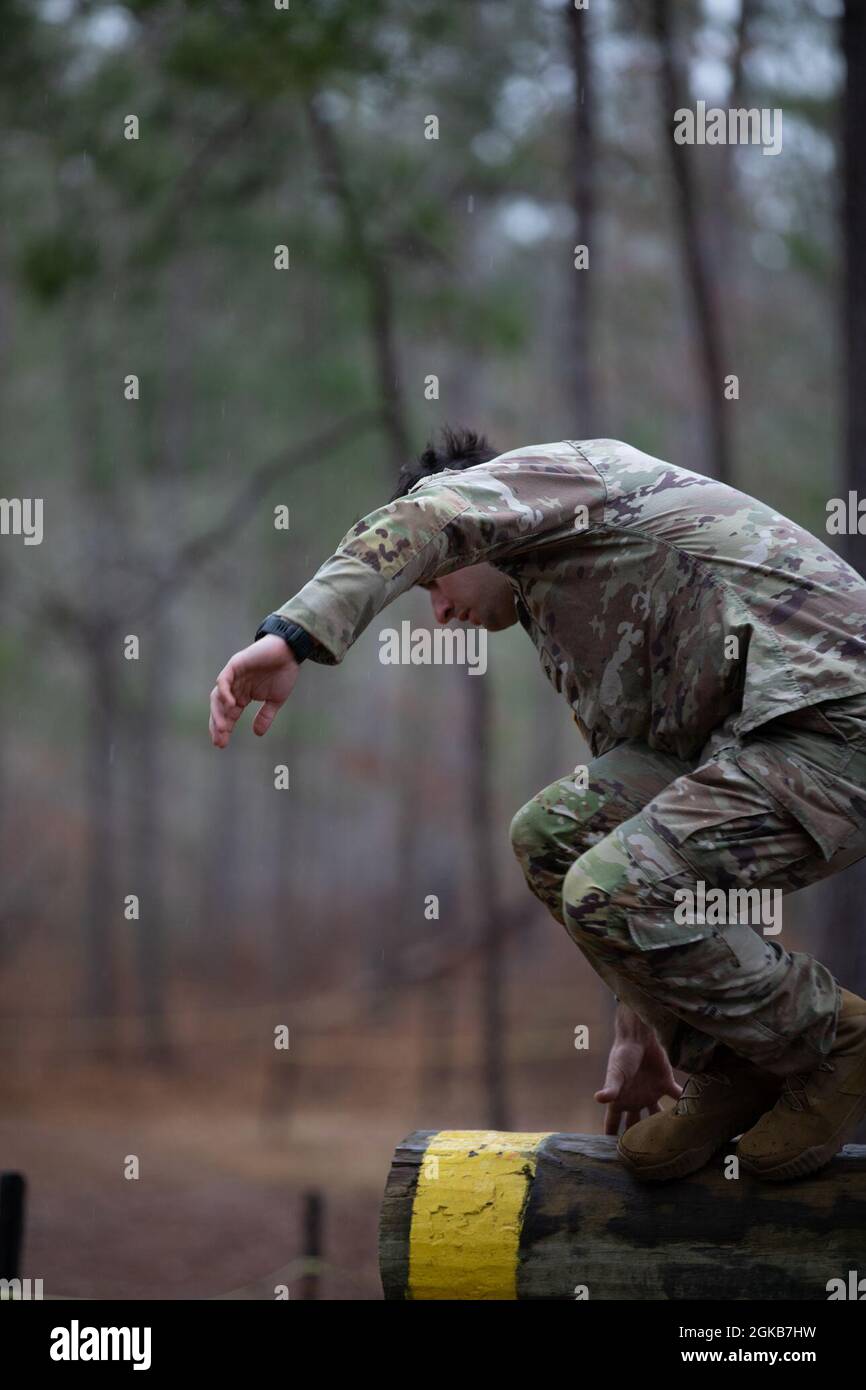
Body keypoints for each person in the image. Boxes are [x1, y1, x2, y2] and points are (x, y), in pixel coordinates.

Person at [209, 430, 866, 1182]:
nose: (439, 615)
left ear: (483, 529)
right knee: (555, 834)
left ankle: (833, 1044)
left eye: (435, 587)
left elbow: (430, 519)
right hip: (768, 740)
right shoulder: (572, 602)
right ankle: (736, 1066)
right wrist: (646, 1024)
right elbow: (635, 829)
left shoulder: (557, 478)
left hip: (834, 721)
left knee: (610, 880)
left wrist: (292, 638)